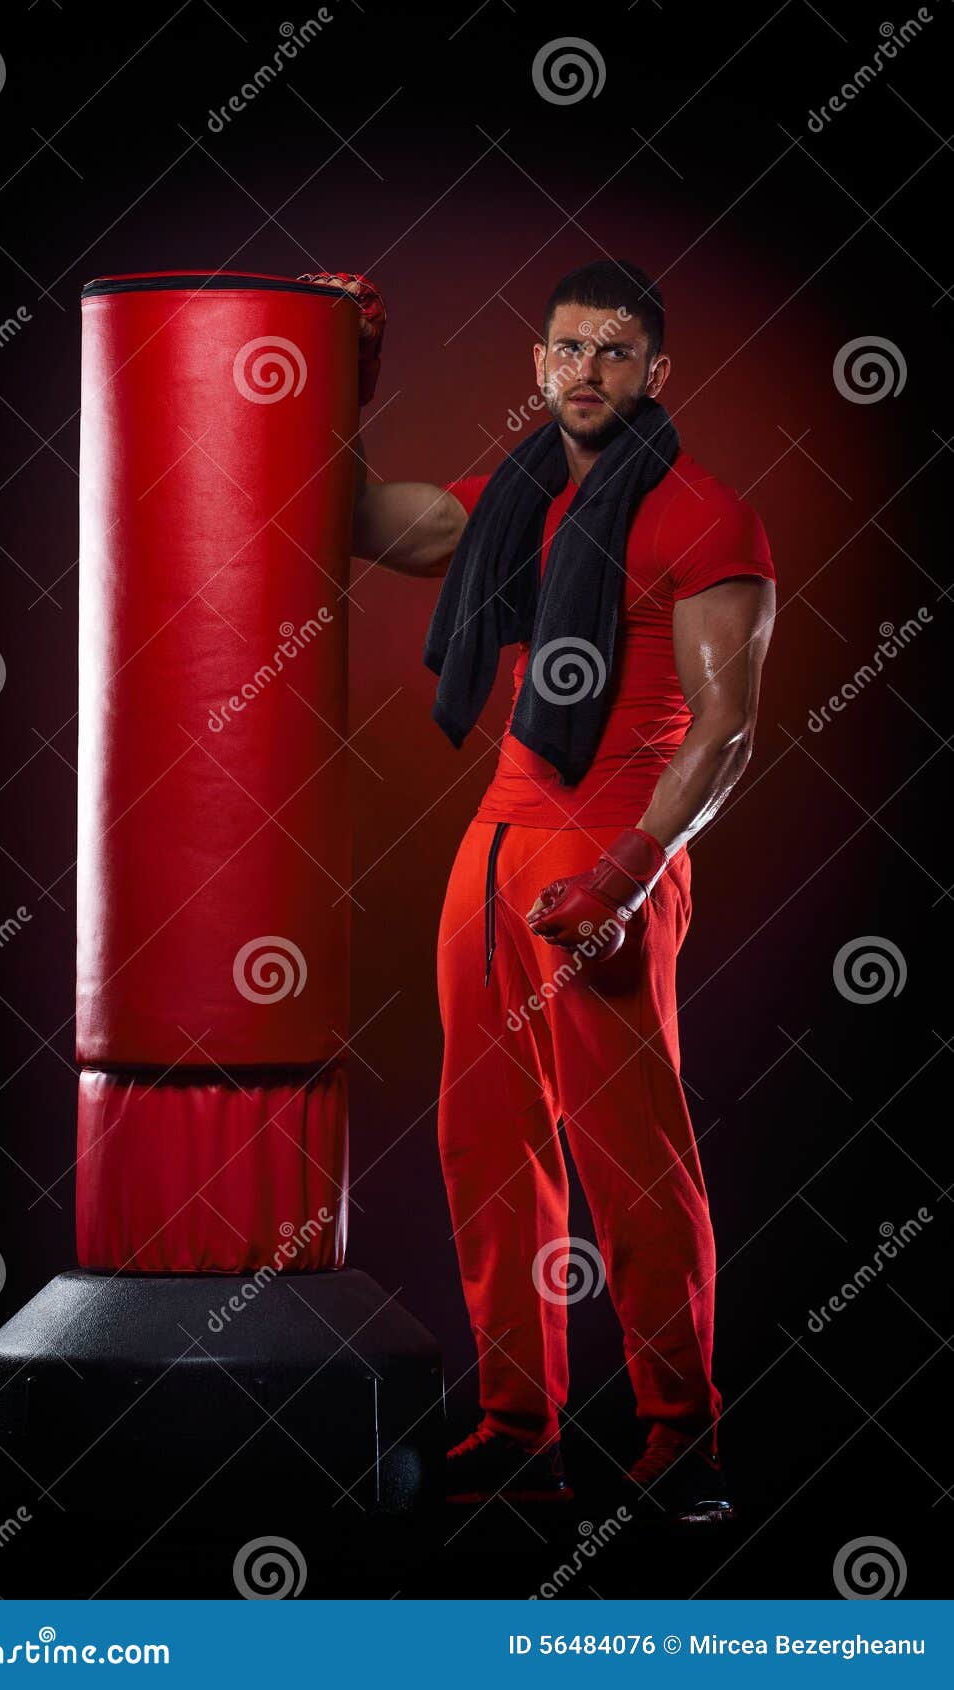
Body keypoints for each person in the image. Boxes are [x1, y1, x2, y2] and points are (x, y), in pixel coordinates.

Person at [304, 262, 776, 1521]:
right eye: (568, 349)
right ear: (537, 362)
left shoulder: (705, 516)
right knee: (486, 1147)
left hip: (609, 847)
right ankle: (521, 1429)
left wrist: (632, 871)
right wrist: (337, 368)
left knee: (632, 1155)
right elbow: (346, 513)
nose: (586, 372)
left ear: (655, 374)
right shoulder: (510, 501)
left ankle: (685, 1441)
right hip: (497, 843)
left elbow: (725, 728)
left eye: (615, 353)